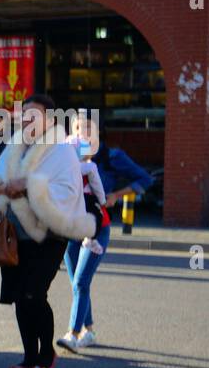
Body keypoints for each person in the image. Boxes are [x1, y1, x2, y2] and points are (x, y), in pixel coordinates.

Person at [0, 94, 97, 368]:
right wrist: (2, 187)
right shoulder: (16, 146)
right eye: (24, 115)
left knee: (34, 293)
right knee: (19, 296)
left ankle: (46, 355)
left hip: (50, 235)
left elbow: (67, 192)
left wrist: (29, 186)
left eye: (34, 116)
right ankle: (29, 357)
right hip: (16, 234)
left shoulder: (62, 150)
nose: (27, 121)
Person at [59, 123, 154, 351]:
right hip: (71, 228)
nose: (83, 134)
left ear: (98, 134)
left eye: (88, 130)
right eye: (78, 129)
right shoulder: (67, 157)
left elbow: (146, 180)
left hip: (97, 228)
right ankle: (89, 331)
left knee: (81, 281)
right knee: (77, 284)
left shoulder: (111, 157)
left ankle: (73, 334)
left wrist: (116, 196)